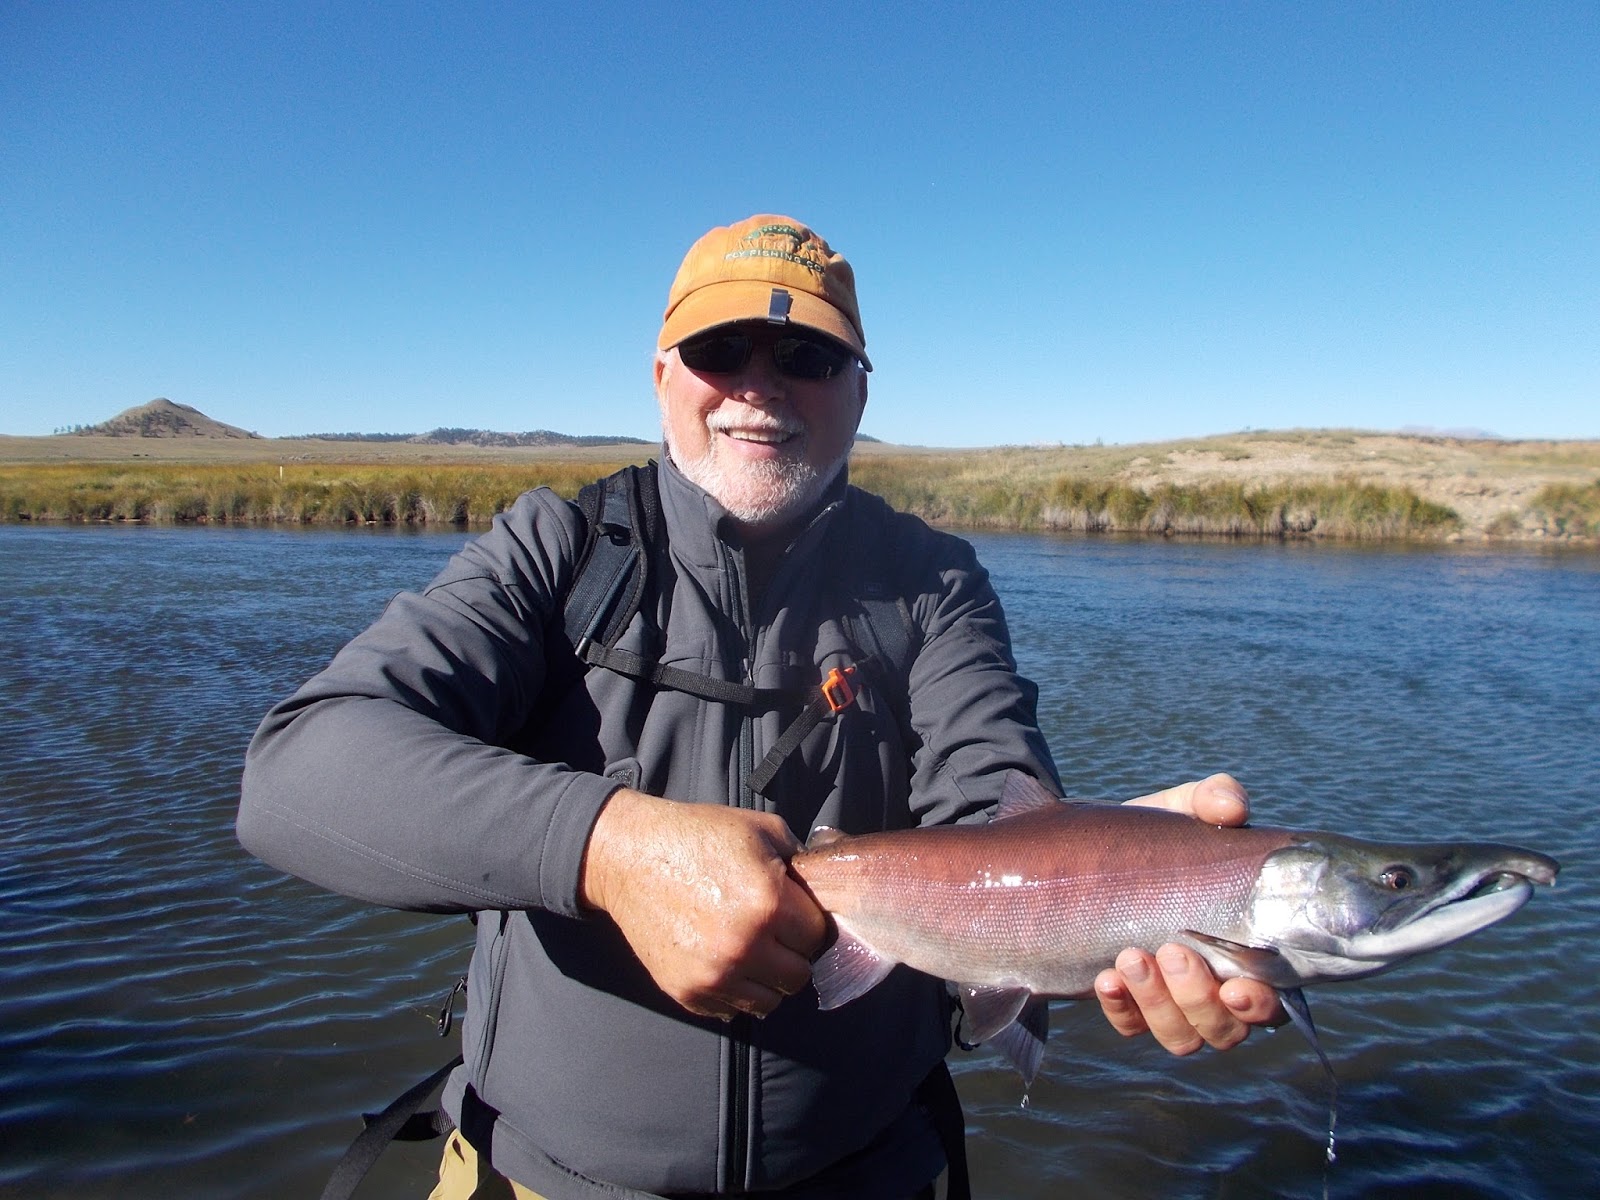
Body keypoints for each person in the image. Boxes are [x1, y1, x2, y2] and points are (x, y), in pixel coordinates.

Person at [237, 214, 1281, 1200]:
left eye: (806, 357)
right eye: (720, 349)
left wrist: (1105, 877)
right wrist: (610, 850)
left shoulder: (934, 583)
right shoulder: (555, 551)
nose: (758, 386)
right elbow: (298, 770)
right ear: (662, 377)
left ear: (859, 393)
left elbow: (988, 793)